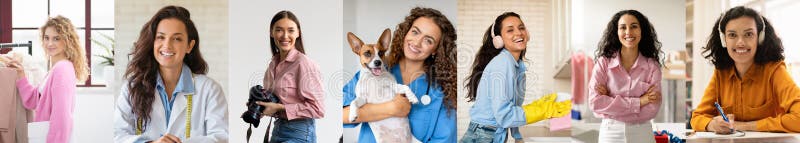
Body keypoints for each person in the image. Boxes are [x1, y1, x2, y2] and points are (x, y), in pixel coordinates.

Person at [113, 5, 228, 143]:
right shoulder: (131, 87)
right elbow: (118, 135)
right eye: (160, 37)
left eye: (177, 39)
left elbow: (221, 137)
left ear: (189, 46)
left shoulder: (210, 89)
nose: (167, 45)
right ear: (152, 42)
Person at [342, 7, 458, 143]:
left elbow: (444, 138)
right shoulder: (370, 73)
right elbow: (341, 115)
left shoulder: (441, 90)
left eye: (428, 40)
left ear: (436, 50)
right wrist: (391, 108)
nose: (417, 42)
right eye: (415, 32)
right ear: (406, 33)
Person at [460, 12, 571, 143]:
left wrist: (517, 135)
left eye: (521, 28)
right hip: (483, 136)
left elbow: (511, 109)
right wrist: (545, 110)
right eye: (510, 30)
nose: (518, 33)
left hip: (492, 134)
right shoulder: (502, 63)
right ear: (498, 39)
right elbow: (505, 116)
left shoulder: (517, 67)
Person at [691, 6, 800, 133]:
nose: (740, 42)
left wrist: (744, 126)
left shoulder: (775, 70)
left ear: (760, 38)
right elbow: (697, 117)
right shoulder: (721, 74)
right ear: (723, 40)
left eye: (748, 34)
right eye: (732, 35)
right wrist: (712, 124)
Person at [4, 15, 89, 143]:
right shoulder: (55, 69)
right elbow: (33, 101)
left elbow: (61, 117)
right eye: (46, 38)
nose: (50, 43)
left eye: (56, 39)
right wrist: (21, 74)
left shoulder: (62, 70)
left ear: (67, 40)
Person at [588, 10, 663, 143]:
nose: (628, 32)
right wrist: (639, 102)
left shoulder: (652, 66)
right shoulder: (603, 63)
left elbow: (652, 110)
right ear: (616, 32)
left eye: (634, 26)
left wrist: (610, 101)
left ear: (641, 31)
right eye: (623, 27)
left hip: (642, 133)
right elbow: (595, 102)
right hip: (610, 133)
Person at [255, 10, 325, 143]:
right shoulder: (273, 64)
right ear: (271, 32)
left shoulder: (304, 64)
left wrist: (280, 108)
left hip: (300, 132)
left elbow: (318, 109)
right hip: (278, 129)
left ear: (298, 33)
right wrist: (260, 107)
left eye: (291, 30)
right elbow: (276, 101)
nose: (285, 36)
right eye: (279, 30)